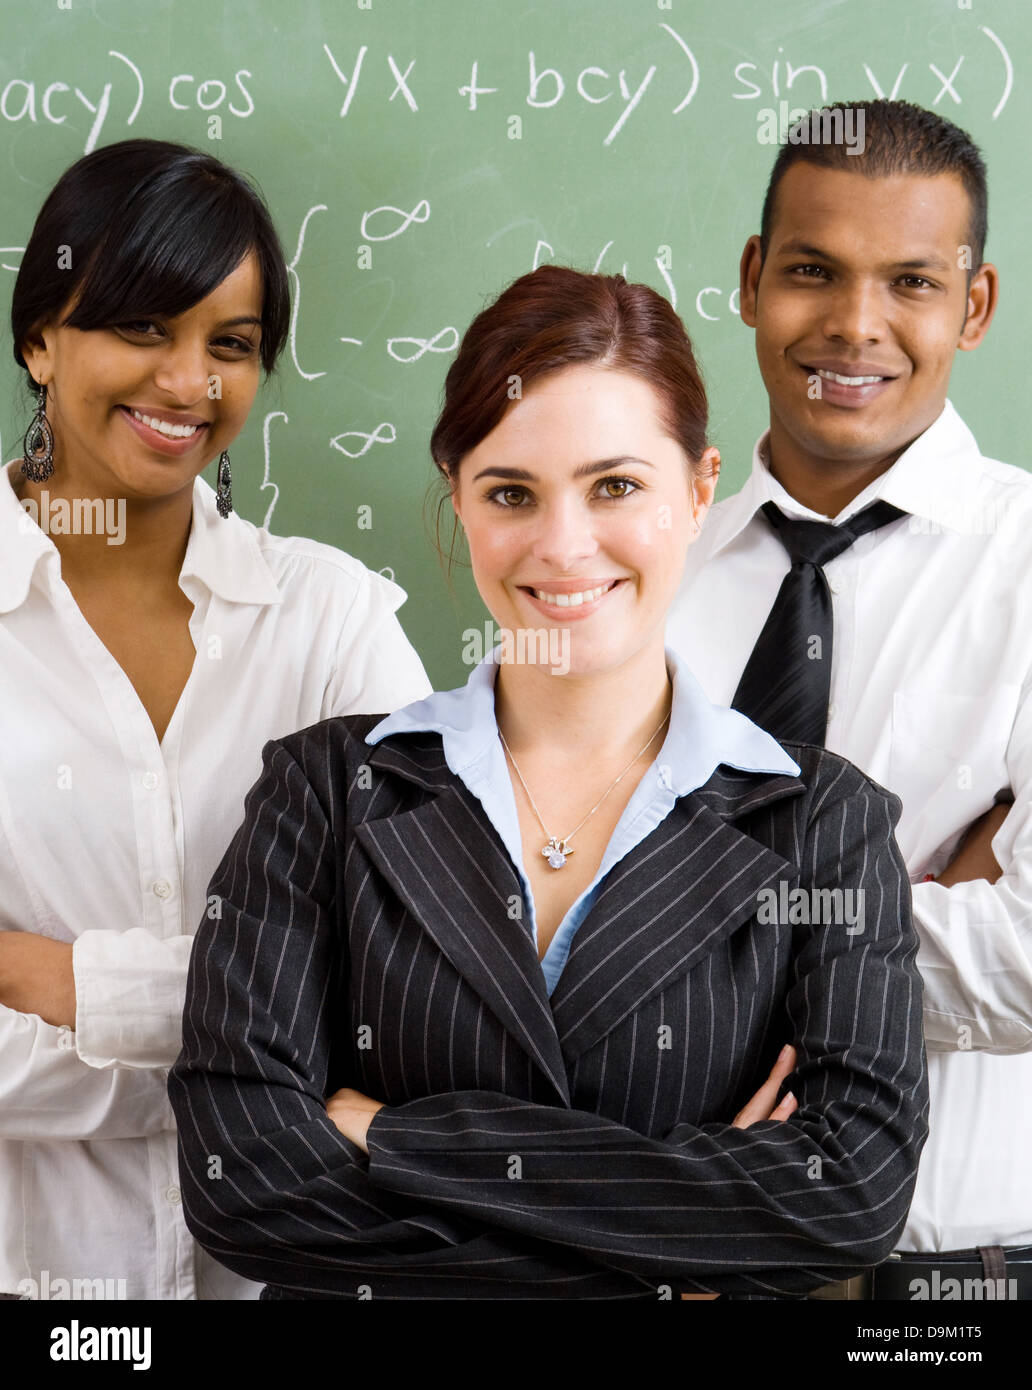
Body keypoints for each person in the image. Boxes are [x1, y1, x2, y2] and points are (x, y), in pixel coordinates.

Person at [169, 264, 928, 1300]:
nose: (564, 546)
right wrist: (671, 1254)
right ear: (461, 502)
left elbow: (847, 1193)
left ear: (700, 490)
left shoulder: (822, 822)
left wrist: (393, 1134)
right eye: (512, 492)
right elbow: (241, 1184)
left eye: (615, 486)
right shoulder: (326, 790)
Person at [0, 138, 431, 1302]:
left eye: (231, 345)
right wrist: (258, 1046)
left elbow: (417, 988)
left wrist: (52, 982)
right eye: (143, 328)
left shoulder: (333, 621)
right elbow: (326, 1026)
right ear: (40, 336)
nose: (190, 382)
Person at [667, 100, 1032, 1299]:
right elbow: (540, 927)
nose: (856, 326)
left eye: (911, 283)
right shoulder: (638, 568)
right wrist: (900, 900)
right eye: (814, 272)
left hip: (956, 1278)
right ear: (753, 279)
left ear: (972, 309)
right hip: (666, 1256)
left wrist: (696, 938)